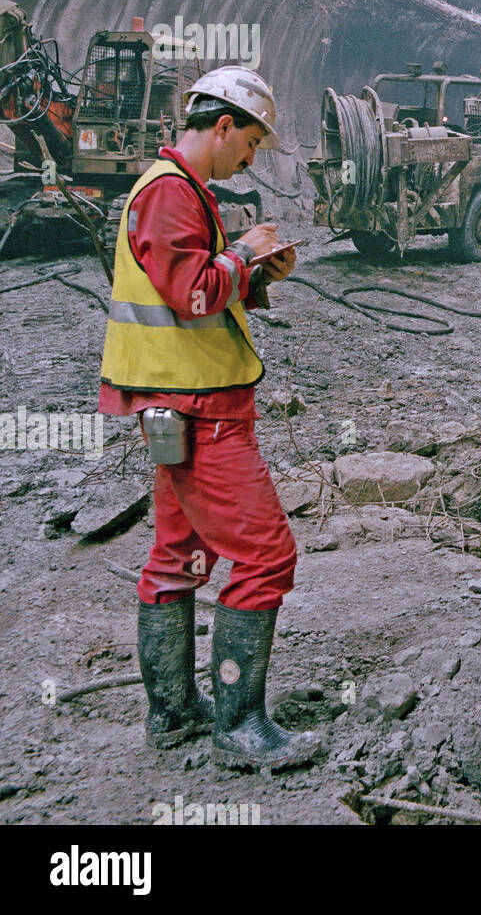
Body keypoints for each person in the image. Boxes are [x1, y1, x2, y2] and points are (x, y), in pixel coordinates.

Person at [99, 65, 321, 773]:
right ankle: (240, 726)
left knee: (179, 558)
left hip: (184, 405)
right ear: (222, 126)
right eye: (251, 143)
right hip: (201, 414)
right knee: (265, 557)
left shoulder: (181, 191)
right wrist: (243, 253)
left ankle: (173, 714)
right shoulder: (170, 195)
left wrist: (253, 277)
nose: (252, 158)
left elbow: (192, 289)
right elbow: (193, 293)